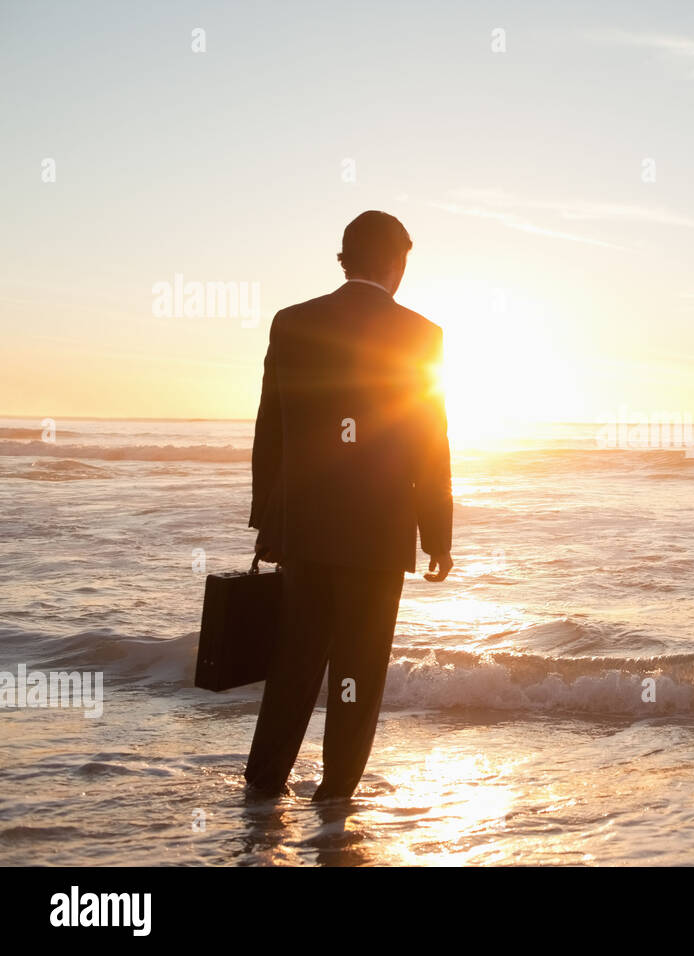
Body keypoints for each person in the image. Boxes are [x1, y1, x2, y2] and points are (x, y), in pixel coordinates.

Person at [243, 210, 453, 802]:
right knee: (358, 673)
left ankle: (262, 789)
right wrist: (437, 534)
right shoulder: (421, 335)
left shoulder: (293, 323)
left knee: (293, 667)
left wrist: (269, 522)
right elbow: (428, 442)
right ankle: (334, 800)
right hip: (378, 538)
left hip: (305, 530)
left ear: (345, 257)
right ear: (395, 262)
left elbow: (271, 431)